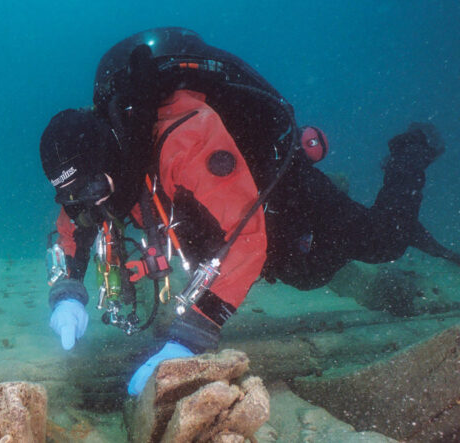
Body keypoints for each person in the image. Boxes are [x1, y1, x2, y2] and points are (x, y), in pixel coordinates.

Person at [39, 27, 457, 396]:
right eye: (75, 195)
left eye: (92, 188)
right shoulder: (101, 172)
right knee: (284, 267)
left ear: (110, 155)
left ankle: (410, 152)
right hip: (213, 204)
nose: (91, 203)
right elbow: (73, 223)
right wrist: (67, 293)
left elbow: (248, 239)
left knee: (373, 245)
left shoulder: (184, 141)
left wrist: (192, 337)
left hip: (274, 189)